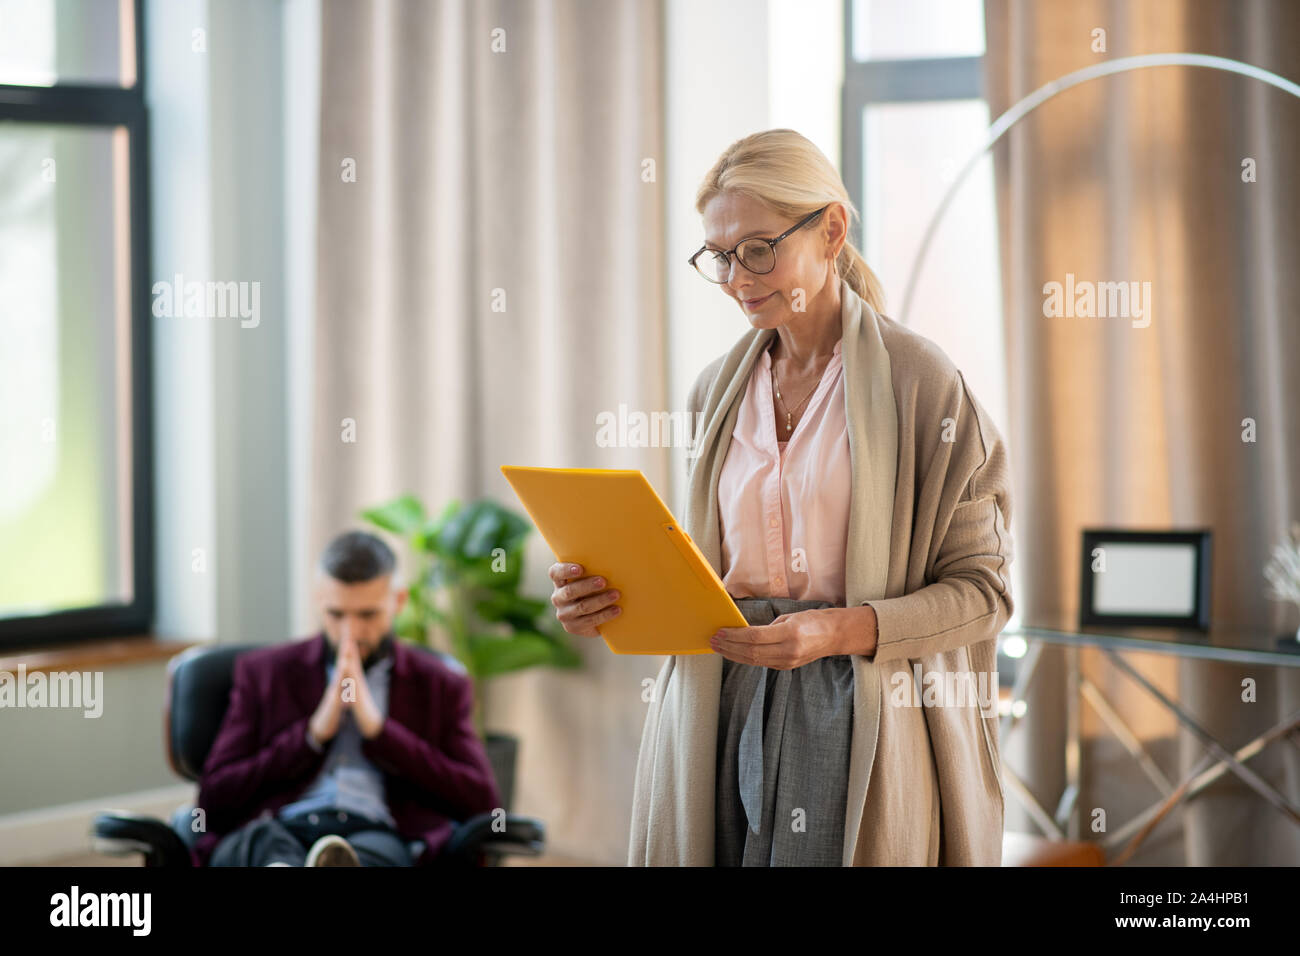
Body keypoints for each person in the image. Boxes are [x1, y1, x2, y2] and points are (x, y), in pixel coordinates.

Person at [551, 128, 1014, 866]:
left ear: (832, 229)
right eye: (720, 256)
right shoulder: (715, 390)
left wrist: (835, 631)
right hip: (719, 705)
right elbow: (704, 574)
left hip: (853, 711)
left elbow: (984, 594)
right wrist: (611, 599)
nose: (738, 277)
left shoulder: (922, 384)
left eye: (759, 249)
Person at [195, 530, 501, 866]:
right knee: (267, 847)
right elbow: (213, 799)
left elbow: (482, 803)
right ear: (318, 600)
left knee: (371, 858)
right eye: (336, 615)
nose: (350, 633)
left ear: (398, 601)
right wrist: (312, 735)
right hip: (280, 827)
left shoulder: (440, 685)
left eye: (367, 615)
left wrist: (379, 733)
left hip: (377, 834)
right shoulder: (265, 673)